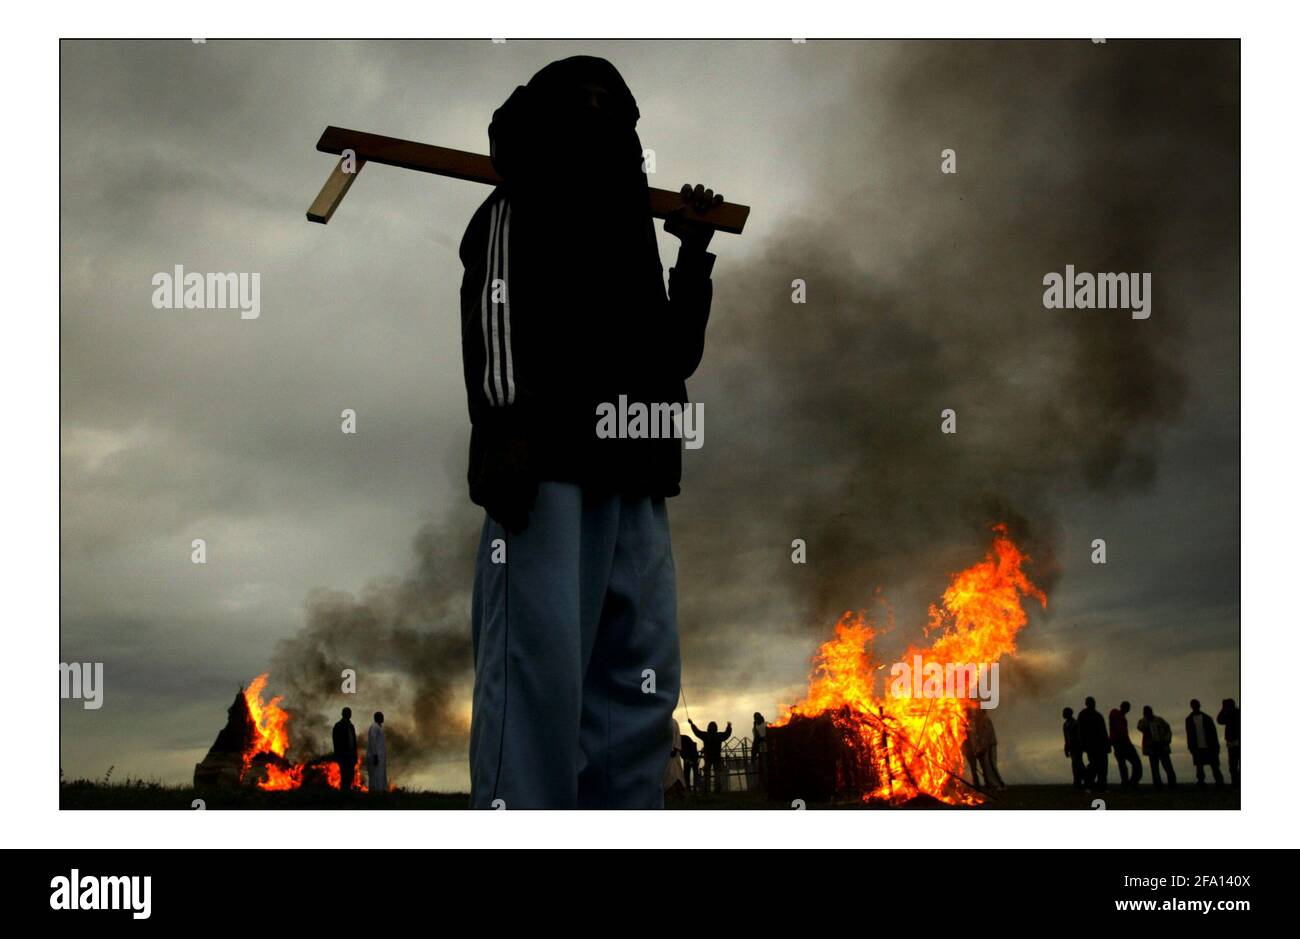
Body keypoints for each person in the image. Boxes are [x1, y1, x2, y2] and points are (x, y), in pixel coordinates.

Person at [461, 56, 724, 809]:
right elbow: (498, 311)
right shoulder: (518, 207)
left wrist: (693, 253)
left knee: (638, 684)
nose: (598, 116)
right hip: (546, 469)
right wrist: (509, 427)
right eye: (581, 103)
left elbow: (675, 353)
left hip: (638, 473)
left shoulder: (632, 238)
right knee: (537, 675)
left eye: (612, 107)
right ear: (544, 120)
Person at [1186, 699, 1225, 787]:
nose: (1195, 706)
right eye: (1193, 705)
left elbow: (1213, 733)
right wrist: (1191, 747)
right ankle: (1202, 782)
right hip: (1197, 747)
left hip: (1209, 746)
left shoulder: (1206, 718)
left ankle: (1219, 782)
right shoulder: (1189, 719)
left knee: (1214, 765)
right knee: (1200, 766)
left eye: (1196, 704)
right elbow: (1189, 734)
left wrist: (1216, 745)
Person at [1137, 705, 1176, 787]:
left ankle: (1172, 784)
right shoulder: (1143, 721)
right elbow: (1140, 727)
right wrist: (1146, 720)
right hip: (1151, 747)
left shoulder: (1159, 720)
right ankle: (1158, 784)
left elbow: (1168, 729)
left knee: (1167, 766)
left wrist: (1167, 740)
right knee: (1155, 768)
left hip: (1162, 745)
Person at [1077, 697, 1110, 791]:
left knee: (1102, 766)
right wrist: (1083, 744)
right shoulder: (1084, 715)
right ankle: (1090, 784)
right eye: (1091, 702)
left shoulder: (1097, 715)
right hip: (1092, 745)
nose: (1093, 704)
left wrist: (1107, 744)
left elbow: (1104, 731)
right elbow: (1081, 731)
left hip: (1100, 745)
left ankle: (1101, 785)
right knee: (1094, 765)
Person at [690, 720, 731, 794]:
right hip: (717, 758)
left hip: (708, 758)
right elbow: (727, 734)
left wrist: (692, 724)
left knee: (707, 775)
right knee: (717, 774)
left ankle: (707, 790)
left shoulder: (705, 735)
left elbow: (697, 732)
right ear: (716, 728)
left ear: (708, 728)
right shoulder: (719, 736)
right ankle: (717, 790)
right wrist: (729, 727)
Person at [1108, 701, 1143, 788]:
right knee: (1132, 764)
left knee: (1125, 764)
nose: (1127, 709)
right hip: (1122, 743)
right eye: (1126, 707)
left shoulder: (1120, 716)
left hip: (1121, 743)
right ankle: (1129, 783)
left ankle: (1128, 783)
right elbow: (1120, 730)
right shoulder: (1115, 713)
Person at [971, 708, 1005, 789]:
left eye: (977, 712)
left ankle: (999, 784)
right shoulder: (979, 721)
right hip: (986, 745)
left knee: (991, 764)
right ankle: (992, 784)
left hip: (989, 745)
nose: (975, 714)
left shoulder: (985, 721)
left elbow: (985, 735)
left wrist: (982, 748)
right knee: (987, 766)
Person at [332, 707, 358, 791]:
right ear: (343, 714)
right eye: (346, 713)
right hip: (343, 756)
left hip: (351, 756)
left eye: (349, 713)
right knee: (344, 776)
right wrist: (338, 755)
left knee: (350, 775)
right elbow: (336, 742)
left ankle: (348, 793)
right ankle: (344, 794)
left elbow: (354, 743)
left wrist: (355, 756)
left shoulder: (351, 726)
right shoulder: (338, 726)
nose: (348, 715)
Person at [1217, 698, 1240, 787]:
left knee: (1233, 765)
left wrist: (1223, 709)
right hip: (1231, 742)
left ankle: (1236, 783)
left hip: (1235, 742)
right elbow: (1220, 720)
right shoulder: (1231, 713)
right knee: (1233, 766)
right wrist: (1223, 710)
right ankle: (1236, 783)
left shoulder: (1236, 713)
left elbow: (1220, 720)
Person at [1062, 706, 1086, 788]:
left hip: (1077, 746)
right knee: (1076, 764)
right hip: (1072, 746)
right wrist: (1066, 748)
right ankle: (1079, 781)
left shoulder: (1075, 723)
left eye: (1065, 713)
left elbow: (1078, 736)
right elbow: (1066, 738)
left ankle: (1080, 780)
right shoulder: (1066, 724)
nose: (1063, 714)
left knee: (1077, 763)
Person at [663, 717, 685, 794]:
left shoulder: (674, 722)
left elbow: (677, 736)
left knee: (676, 774)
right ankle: (669, 791)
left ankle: (678, 791)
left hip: (674, 754)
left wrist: (675, 749)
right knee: (668, 774)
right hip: (666, 753)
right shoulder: (662, 722)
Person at [367, 711, 388, 793]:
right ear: (377, 718)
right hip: (375, 756)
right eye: (381, 716)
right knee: (375, 775)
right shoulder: (374, 727)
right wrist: (375, 755)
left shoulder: (378, 728)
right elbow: (373, 741)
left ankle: (380, 790)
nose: (383, 718)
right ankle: (375, 791)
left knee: (380, 774)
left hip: (379, 756)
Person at [751, 712, 768, 788]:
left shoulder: (764, 725)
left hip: (764, 749)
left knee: (764, 767)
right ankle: (764, 784)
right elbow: (756, 740)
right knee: (764, 767)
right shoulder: (766, 724)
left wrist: (753, 753)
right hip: (763, 749)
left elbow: (756, 740)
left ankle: (765, 784)